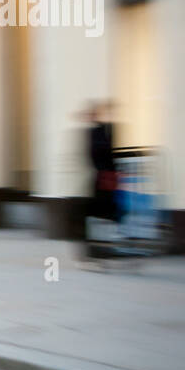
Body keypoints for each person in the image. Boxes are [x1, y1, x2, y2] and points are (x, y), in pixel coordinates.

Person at [85, 100, 120, 259]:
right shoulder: (95, 132)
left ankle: (104, 244)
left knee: (108, 209)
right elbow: (94, 154)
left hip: (107, 175)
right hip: (102, 175)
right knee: (101, 209)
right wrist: (103, 171)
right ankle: (97, 245)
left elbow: (109, 151)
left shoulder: (106, 129)